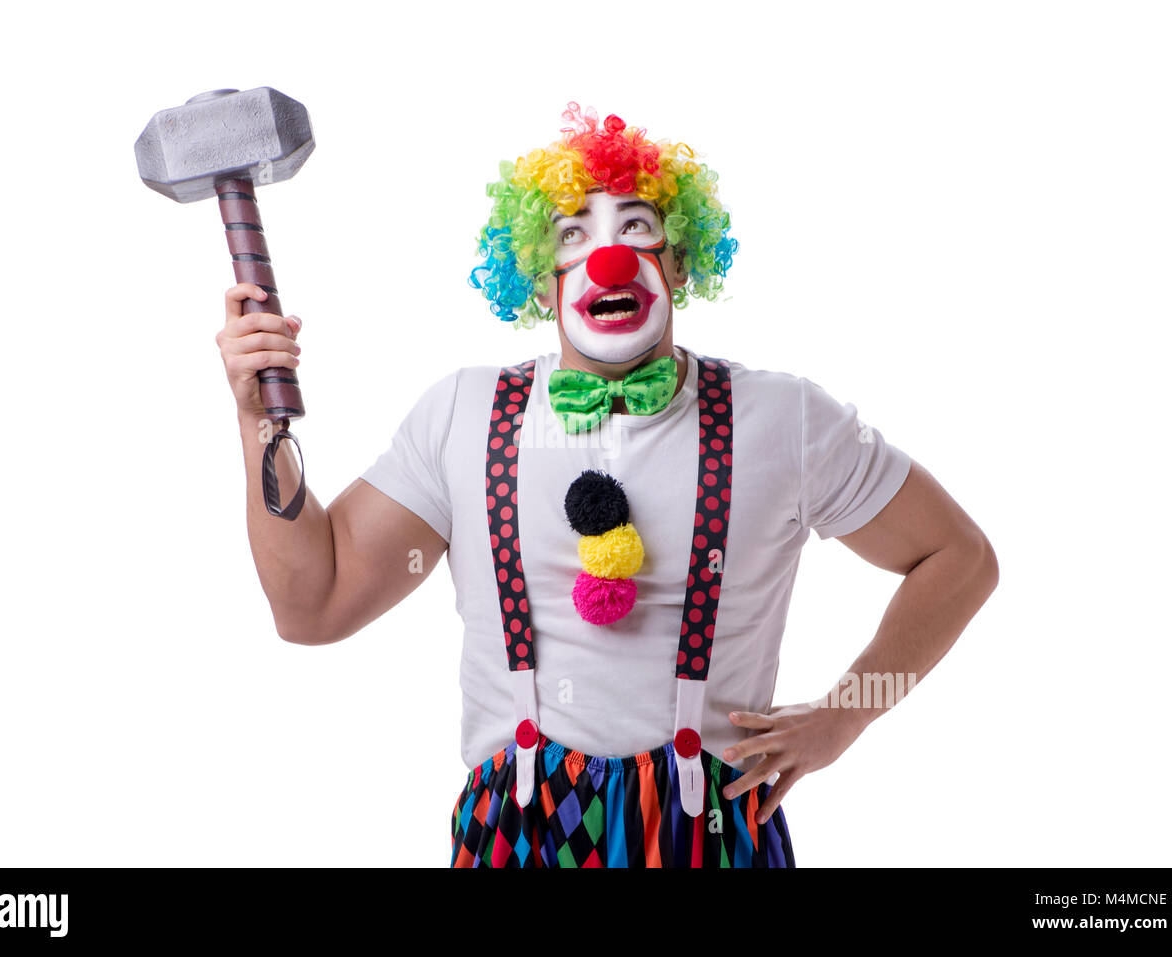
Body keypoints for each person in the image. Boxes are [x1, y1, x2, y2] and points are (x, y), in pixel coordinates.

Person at [215, 103, 999, 868]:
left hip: (714, 834)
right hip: (517, 835)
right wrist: (259, 419)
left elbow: (958, 558)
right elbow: (311, 603)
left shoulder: (784, 417)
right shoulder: (464, 412)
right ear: (541, 278)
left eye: (637, 227)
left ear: (681, 259)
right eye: (573, 233)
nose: (609, 255)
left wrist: (840, 719)